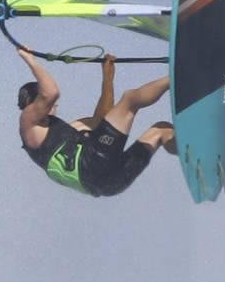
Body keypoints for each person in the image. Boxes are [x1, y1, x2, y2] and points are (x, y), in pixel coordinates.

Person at [16, 44, 174, 197]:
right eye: (45, 103)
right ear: (32, 104)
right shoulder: (28, 124)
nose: (53, 104)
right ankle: (178, 74)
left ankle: (191, 157)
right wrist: (30, 59)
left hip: (109, 185)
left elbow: (103, 120)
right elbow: (51, 93)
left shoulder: (62, 134)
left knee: (162, 131)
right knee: (130, 99)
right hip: (90, 165)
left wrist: (107, 78)